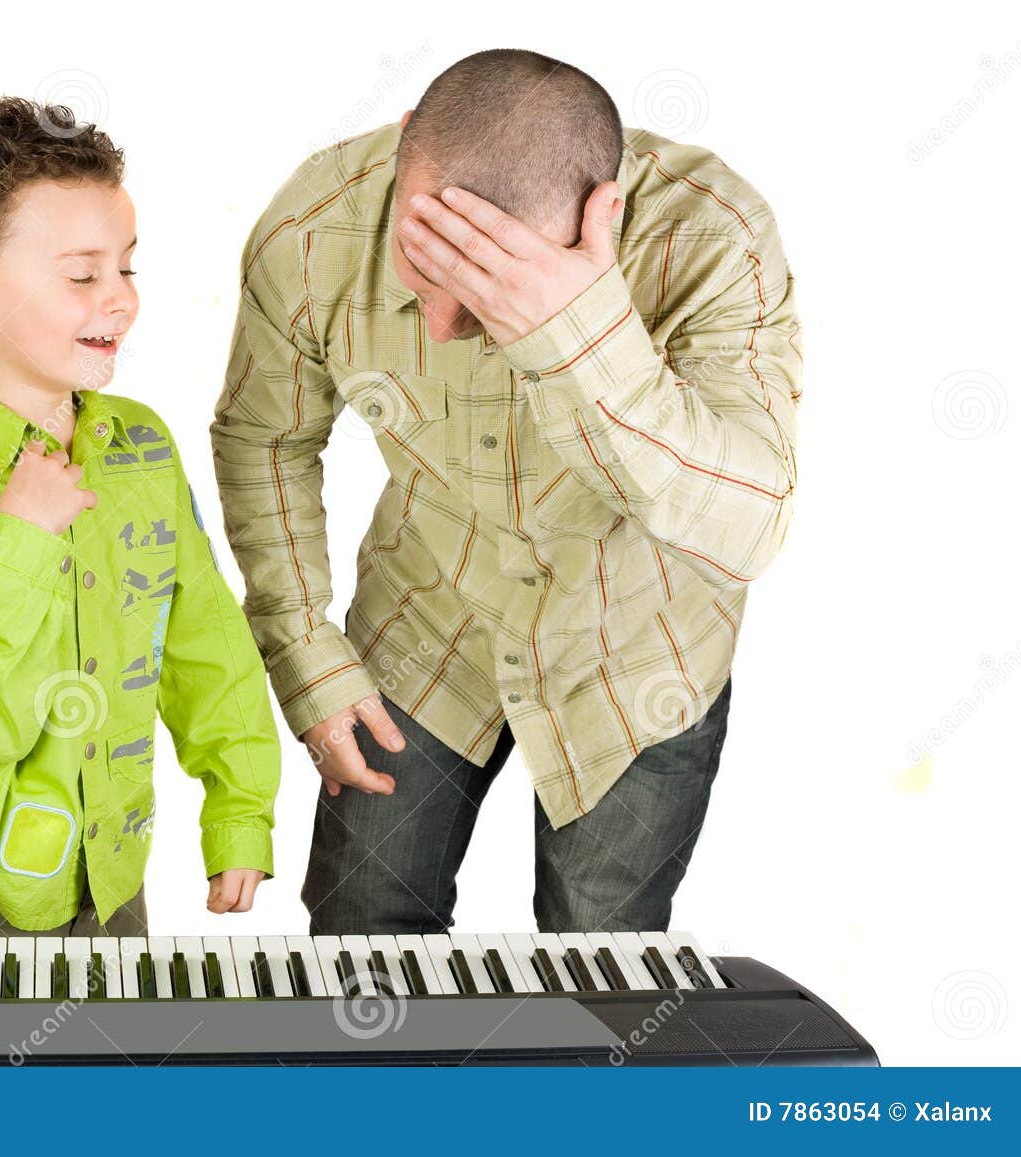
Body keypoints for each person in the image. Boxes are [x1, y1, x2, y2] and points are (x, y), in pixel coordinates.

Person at [212, 49, 800, 934]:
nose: (442, 326)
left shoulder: (712, 235)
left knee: (598, 974)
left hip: (638, 654)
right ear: (407, 143)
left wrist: (582, 334)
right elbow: (266, 434)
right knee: (358, 934)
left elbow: (750, 527)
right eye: (427, 264)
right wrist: (305, 651)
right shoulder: (315, 224)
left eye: (489, 290)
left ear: (603, 211)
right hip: (424, 627)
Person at [0, 96, 280, 938]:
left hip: (110, 846)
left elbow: (205, 638)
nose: (120, 300)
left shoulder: (142, 445)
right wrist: (21, 537)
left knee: (108, 1067)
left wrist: (239, 808)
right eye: (82, 274)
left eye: (127, 268)